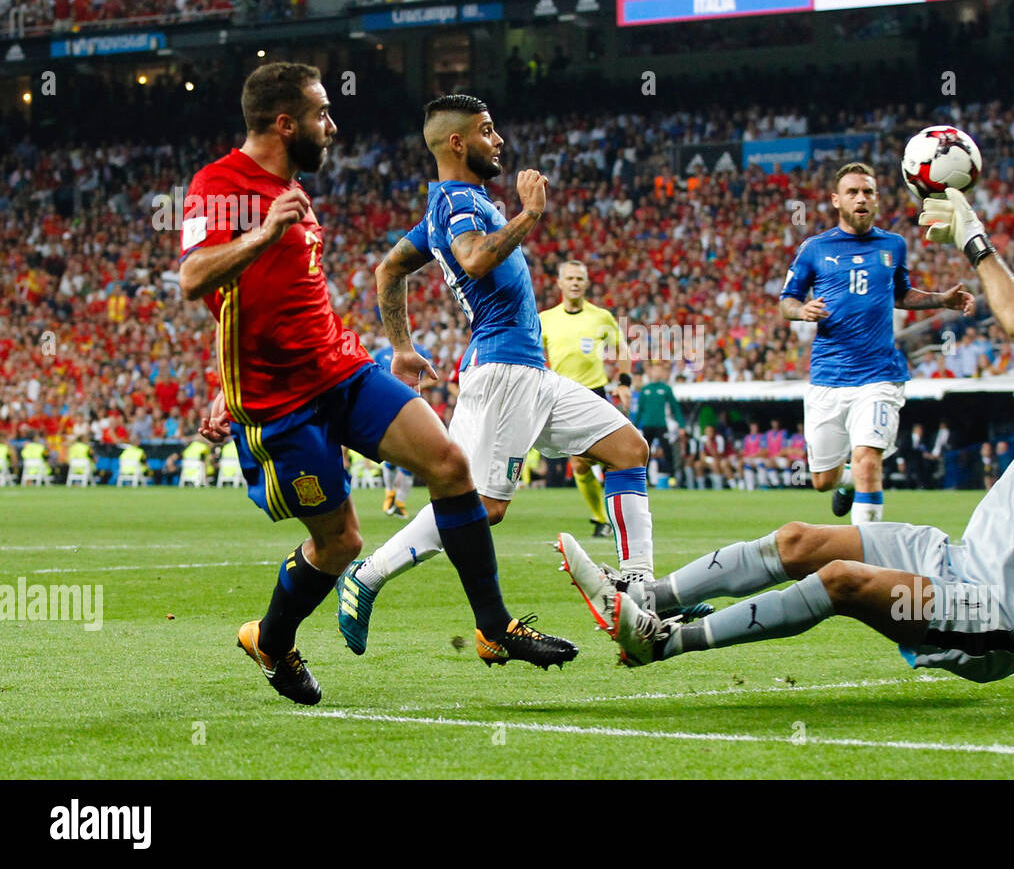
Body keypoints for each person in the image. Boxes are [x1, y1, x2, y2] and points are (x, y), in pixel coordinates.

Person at [556, 187, 1014, 681]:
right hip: (951, 558)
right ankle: (646, 596)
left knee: (843, 580)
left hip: (997, 615)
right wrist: (974, 239)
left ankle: (662, 641)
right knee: (800, 539)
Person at [181, 66, 575, 705]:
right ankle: (272, 641)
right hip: (280, 400)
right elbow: (195, 277)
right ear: (286, 123)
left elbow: (282, 301)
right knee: (340, 542)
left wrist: (396, 348)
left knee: (449, 465)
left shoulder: (291, 190)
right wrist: (264, 235)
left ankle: (495, 627)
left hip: (341, 367)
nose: (333, 126)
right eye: (322, 114)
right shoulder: (220, 185)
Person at [335, 94, 664, 656]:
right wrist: (530, 213)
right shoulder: (458, 201)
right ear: (456, 142)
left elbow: (390, 268)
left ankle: (639, 588)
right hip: (502, 370)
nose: (499, 140)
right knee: (481, 507)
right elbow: (474, 259)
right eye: (487, 130)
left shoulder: (454, 204)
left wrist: (403, 348)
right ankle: (367, 576)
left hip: (530, 371)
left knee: (629, 449)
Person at [779, 162, 974, 524]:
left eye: (868, 192)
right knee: (823, 481)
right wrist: (801, 310)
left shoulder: (893, 245)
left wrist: (940, 299)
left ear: (877, 199)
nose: (861, 198)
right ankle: (847, 481)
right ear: (837, 200)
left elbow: (900, 294)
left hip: (879, 376)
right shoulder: (814, 248)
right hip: (828, 377)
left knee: (868, 460)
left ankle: (867, 552)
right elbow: (786, 300)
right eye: (852, 192)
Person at [537, 259, 632, 539]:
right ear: (560, 283)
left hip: (595, 394)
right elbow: (533, 354)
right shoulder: (545, 319)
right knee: (578, 462)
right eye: (570, 278)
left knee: (613, 456)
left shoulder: (600, 317)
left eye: (579, 278)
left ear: (587, 283)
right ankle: (601, 519)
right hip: (563, 396)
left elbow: (623, 350)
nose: (575, 283)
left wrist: (624, 383)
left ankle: (622, 511)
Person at [371, 339, 436, 519]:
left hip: (414, 407)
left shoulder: (421, 350)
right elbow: (373, 379)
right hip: (387, 408)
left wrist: (410, 387)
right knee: (390, 456)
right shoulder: (381, 353)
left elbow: (434, 378)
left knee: (411, 457)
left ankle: (399, 503)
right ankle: (390, 494)